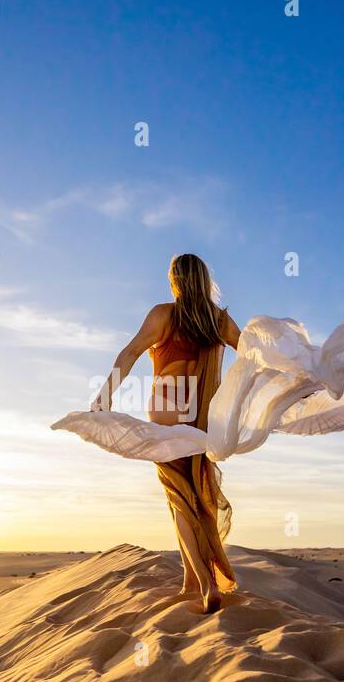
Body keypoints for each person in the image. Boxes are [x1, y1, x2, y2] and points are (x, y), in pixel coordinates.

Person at [92, 254, 241, 613]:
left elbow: (129, 353)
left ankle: (206, 584)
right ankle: (190, 579)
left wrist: (105, 394)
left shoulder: (162, 315)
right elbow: (253, 352)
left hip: (166, 414)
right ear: (205, 281)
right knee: (194, 494)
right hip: (204, 418)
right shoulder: (219, 320)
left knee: (178, 497)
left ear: (174, 280)